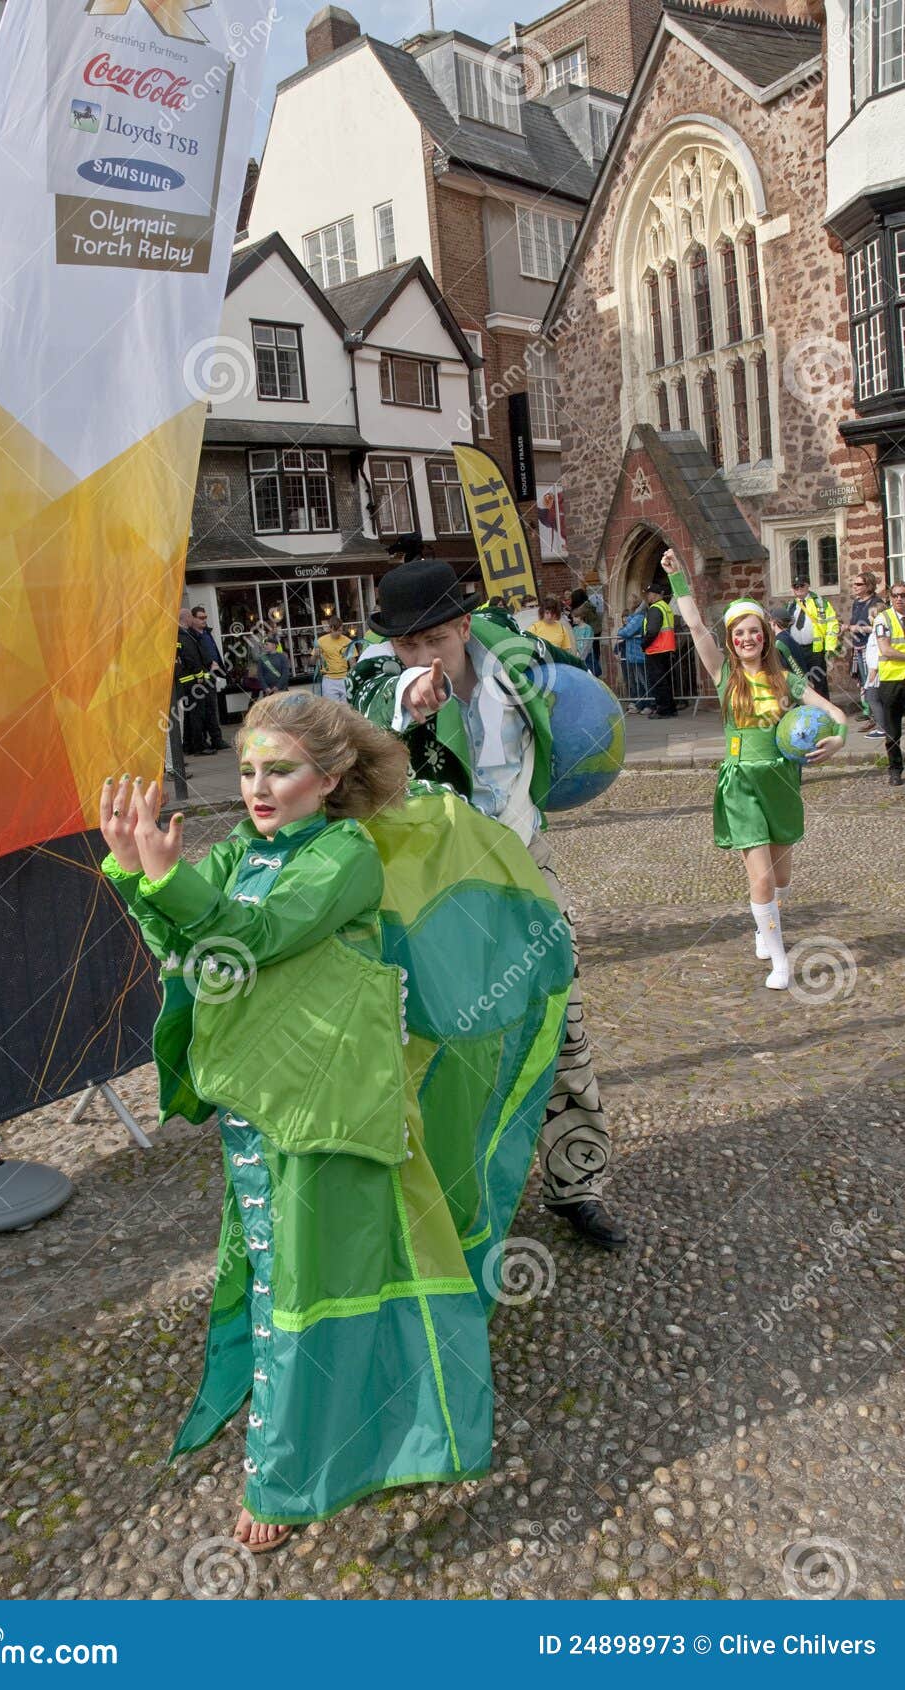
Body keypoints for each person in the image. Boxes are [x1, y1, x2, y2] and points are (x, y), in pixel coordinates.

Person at [99, 693, 575, 1550]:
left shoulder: (345, 855)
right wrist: (136, 872)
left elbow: (255, 933)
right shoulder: (249, 850)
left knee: (308, 1295)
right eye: (247, 769)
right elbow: (192, 950)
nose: (257, 786)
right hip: (261, 1106)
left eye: (278, 770)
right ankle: (341, 1436)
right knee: (298, 1283)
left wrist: (170, 881)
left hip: (328, 1107)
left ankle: (284, 1483)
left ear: (329, 777)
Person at [349, 558, 628, 1250]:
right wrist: (412, 693)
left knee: (561, 1023)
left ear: (463, 625)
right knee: (450, 1042)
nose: (417, 654)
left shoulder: (517, 656)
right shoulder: (378, 677)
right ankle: (457, 1200)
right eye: (404, 644)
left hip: (525, 871)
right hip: (433, 887)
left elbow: (566, 691)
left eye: (431, 641)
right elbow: (368, 706)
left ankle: (577, 1183)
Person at [666, 550, 848, 987]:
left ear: (765, 637)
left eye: (754, 632)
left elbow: (835, 714)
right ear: (730, 640)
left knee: (782, 878)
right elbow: (693, 625)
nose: (747, 639)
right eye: (739, 633)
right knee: (762, 879)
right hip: (741, 781)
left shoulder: (787, 680)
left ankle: (764, 926)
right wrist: (677, 580)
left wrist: (839, 740)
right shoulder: (724, 673)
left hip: (782, 780)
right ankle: (781, 961)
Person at [873, 582, 905, 787]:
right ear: (890, 598)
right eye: (896, 596)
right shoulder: (883, 618)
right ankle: (895, 769)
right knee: (893, 730)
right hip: (891, 681)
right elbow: (886, 650)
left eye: (903, 595)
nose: (900, 599)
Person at [788, 574, 840, 700]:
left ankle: (824, 711)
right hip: (797, 650)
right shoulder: (791, 605)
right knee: (800, 682)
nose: (798, 588)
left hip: (815, 649)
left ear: (807, 585)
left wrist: (830, 648)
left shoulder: (820, 602)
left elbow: (832, 625)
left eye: (801, 585)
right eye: (795, 586)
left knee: (819, 682)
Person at [188, 605, 230, 749]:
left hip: (212, 674)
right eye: (201, 618)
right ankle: (202, 741)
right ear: (192, 619)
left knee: (212, 709)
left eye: (205, 617)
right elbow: (194, 657)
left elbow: (213, 651)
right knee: (202, 711)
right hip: (201, 677)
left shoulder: (206, 633)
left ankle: (216, 739)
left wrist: (219, 667)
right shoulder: (191, 635)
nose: (204, 620)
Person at [175, 609, 212, 758]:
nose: (192, 619)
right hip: (192, 681)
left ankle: (189, 745)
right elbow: (190, 657)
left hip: (187, 681)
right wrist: (200, 675)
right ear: (186, 618)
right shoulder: (183, 635)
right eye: (191, 616)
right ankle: (198, 746)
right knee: (196, 714)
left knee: (189, 716)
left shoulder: (184, 634)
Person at [848, 570, 884, 720]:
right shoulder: (857, 602)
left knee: (872, 682)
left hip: (872, 647)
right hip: (858, 647)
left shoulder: (877, 603)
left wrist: (858, 628)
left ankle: (877, 716)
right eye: (854, 584)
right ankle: (867, 711)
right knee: (863, 681)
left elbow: (878, 626)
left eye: (858, 584)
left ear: (868, 586)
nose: (854, 587)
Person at [641, 582, 678, 717]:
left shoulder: (655, 609)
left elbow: (652, 631)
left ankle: (663, 710)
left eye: (649, 594)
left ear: (655, 595)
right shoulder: (665, 607)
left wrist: (643, 644)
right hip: (666, 648)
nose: (647, 597)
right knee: (665, 681)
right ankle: (670, 708)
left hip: (656, 649)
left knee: (658, 682)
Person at [614, 598, 652, 713]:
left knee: (643, 681)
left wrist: (622, 632)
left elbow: (625, 632)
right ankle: (641, 704)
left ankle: (649, 705)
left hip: (638, 655)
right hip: (635, 656)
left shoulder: (638, 618)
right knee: (639, 682)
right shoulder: (636, 618)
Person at [310, 617, 352, 703]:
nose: (339, 633)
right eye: (336, 631)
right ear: (330, 628)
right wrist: (315, 656)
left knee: (348, 709)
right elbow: (312, 662)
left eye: (340, 630)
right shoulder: (321, 641)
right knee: (332, 709)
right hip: (329, 679)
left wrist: (353, 678)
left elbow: (353, 662)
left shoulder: (347, 641)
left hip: (345, 678)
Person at [770, 606, 808, 678]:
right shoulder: (791, 638)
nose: (769, 623)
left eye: (770, 620)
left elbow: (781, 667)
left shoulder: (779, 642)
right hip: (802, 679)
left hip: (792, 682)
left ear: (774, 622)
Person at [571, 604, 595, 669]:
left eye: (575, 617)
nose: (573, 619)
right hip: (576, 655)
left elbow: (587, 643)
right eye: (573, 617)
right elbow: (572, 641)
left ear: (581, 617)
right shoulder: (574, 629)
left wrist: (581, 655)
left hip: (587, 656)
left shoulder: (588, 628)